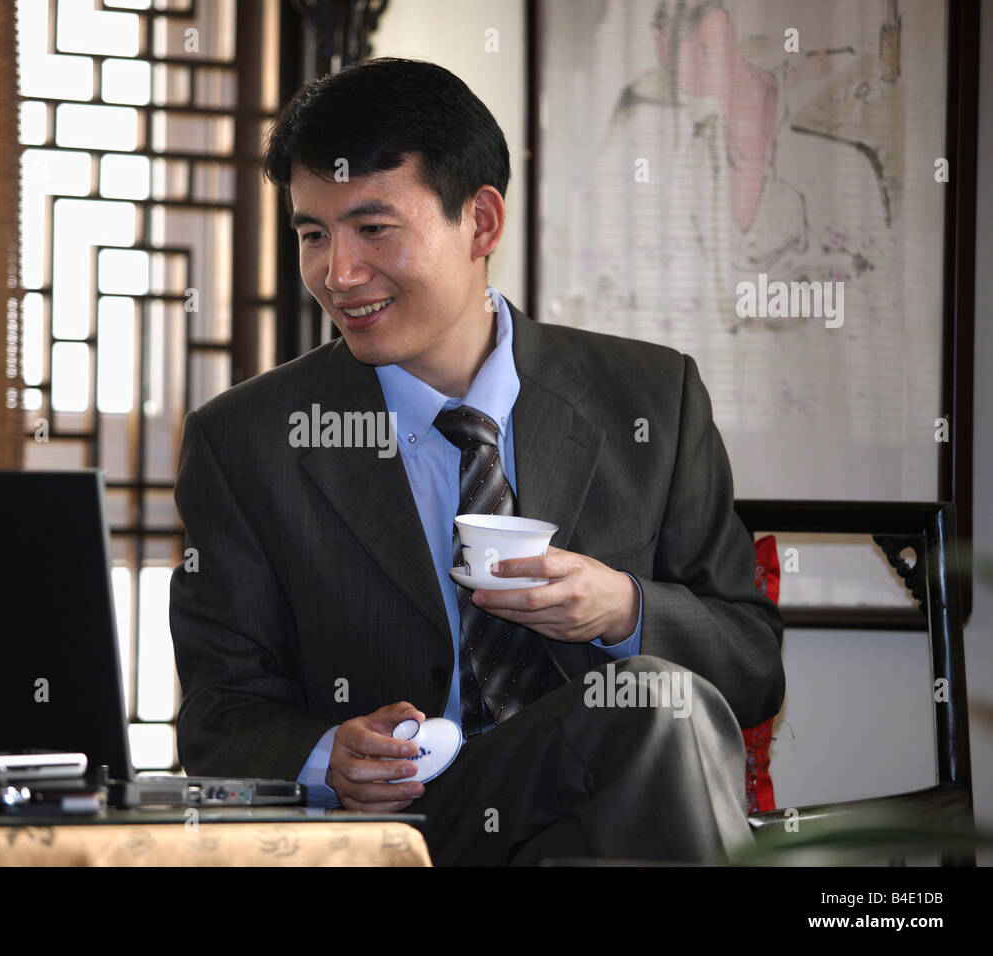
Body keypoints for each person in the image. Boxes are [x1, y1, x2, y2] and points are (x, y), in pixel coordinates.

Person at [168, 57, 784, 866]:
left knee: (653, 704)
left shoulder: (649, 398)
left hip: (602, 828)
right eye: (312, 234)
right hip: (401, 835)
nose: (338, 274)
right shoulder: (245, 440)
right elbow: (218, 716)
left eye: (373, 228)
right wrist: (330, 755)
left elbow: (750, 666)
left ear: (482, 223)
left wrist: (625, 611)